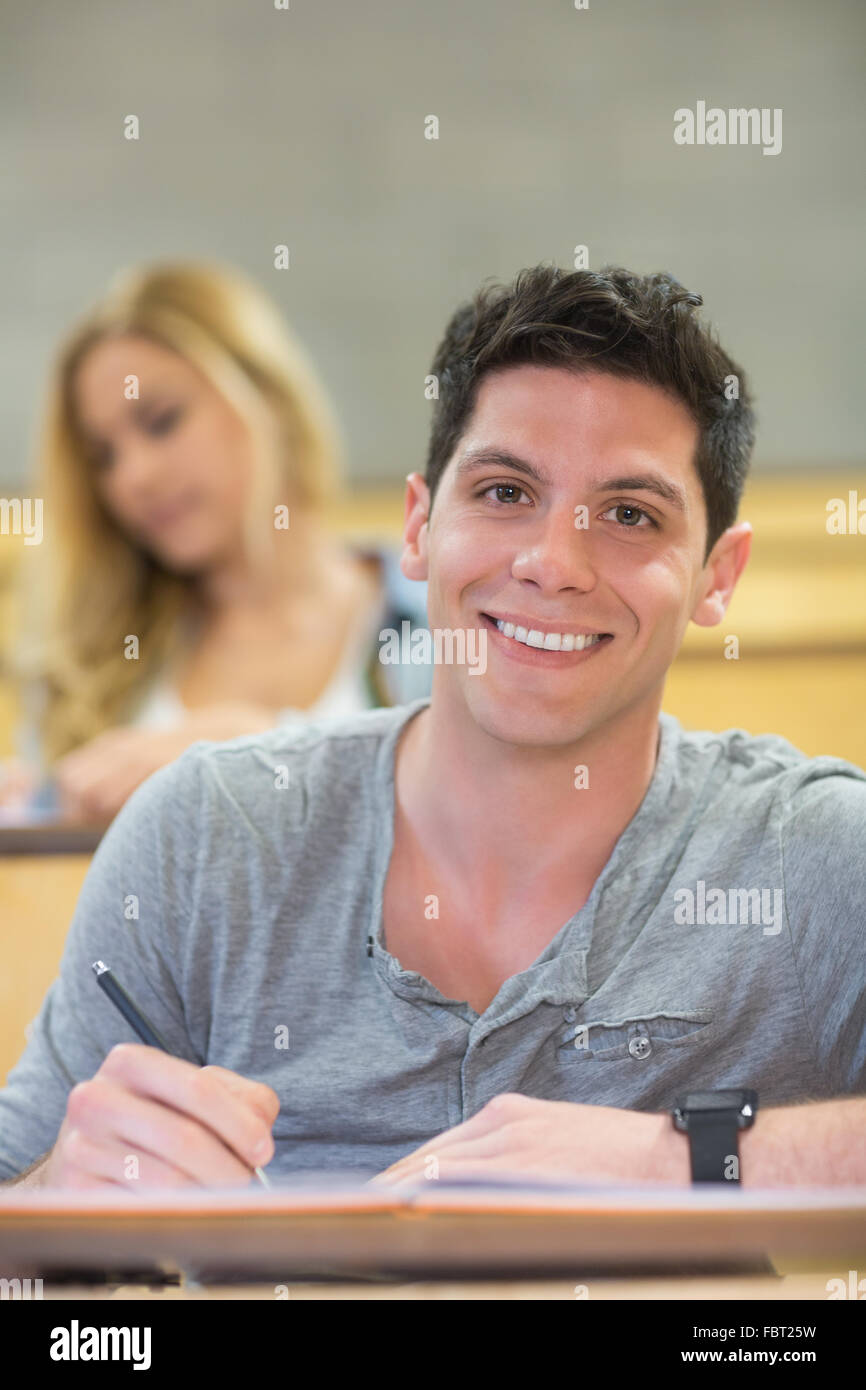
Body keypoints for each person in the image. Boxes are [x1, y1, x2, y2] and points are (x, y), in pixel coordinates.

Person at [1, 263, 863, 1192]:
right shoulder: (199, 838)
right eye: (504, 492)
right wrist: (56, 1199)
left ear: (718, 576)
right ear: (419, 524)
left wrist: (678, 1156)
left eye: (628, 514)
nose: (552, 563)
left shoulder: (811, 857)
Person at [0, 260, 430, 825]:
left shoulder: (440, 616)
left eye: (161, 421)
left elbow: (489, 822)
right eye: (103, 456)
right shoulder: (91, 662)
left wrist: (269, 750)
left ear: (267, 395)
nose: (133, 477)